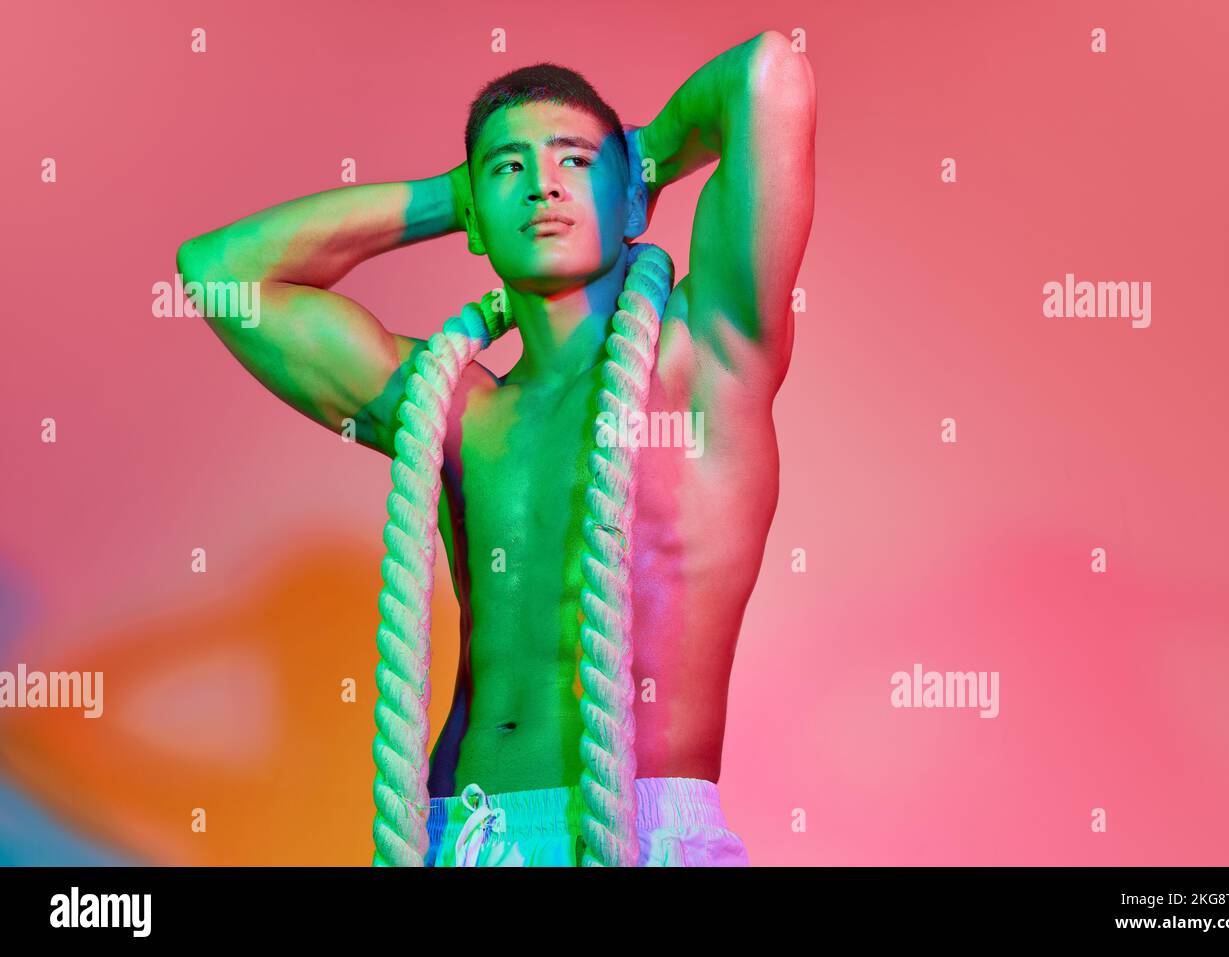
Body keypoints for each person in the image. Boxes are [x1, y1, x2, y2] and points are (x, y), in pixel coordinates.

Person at [176, 29, 815, 865]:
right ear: (480, 218)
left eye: (574, 160)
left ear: (626, 198)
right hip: (465, 836)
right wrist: (455, 196)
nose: (543, 184)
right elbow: (221, 270)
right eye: (508, 167)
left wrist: (644, 158)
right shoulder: (456, 409)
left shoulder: (708, 360)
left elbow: (769, 74)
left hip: (642, 832)